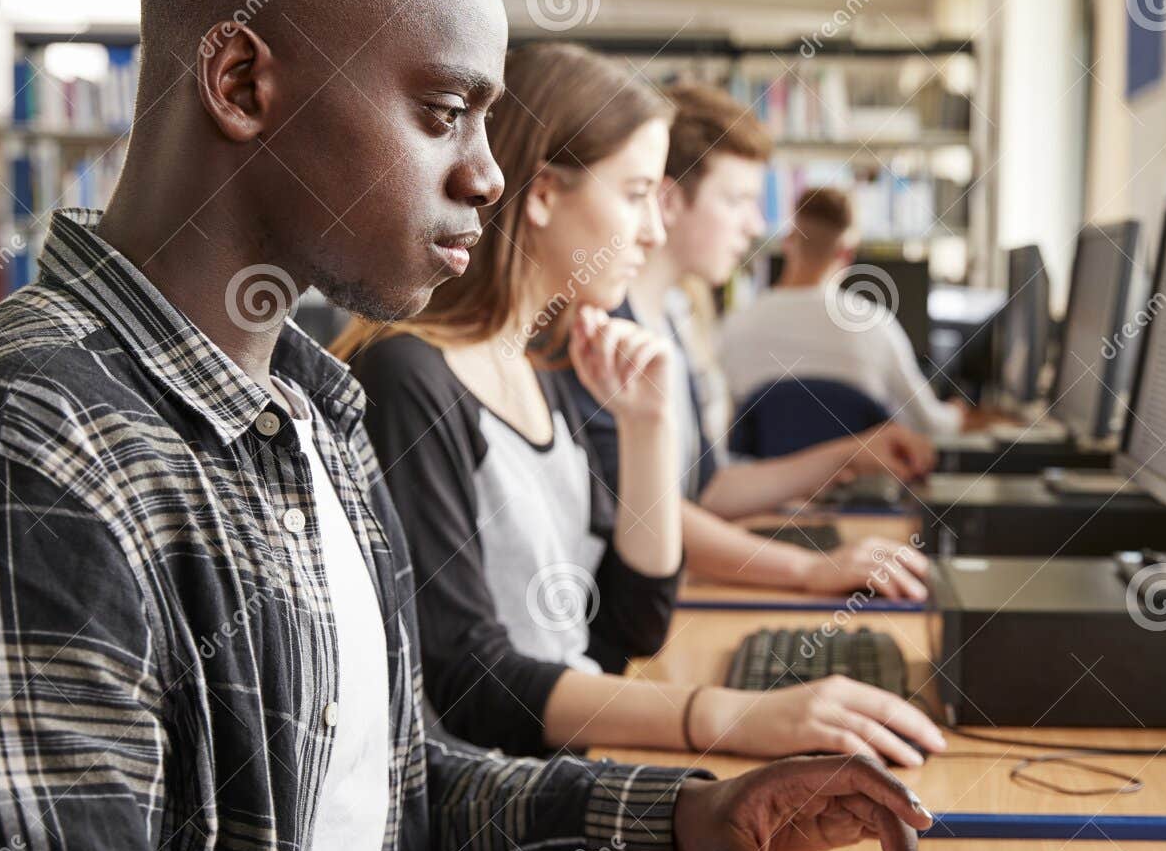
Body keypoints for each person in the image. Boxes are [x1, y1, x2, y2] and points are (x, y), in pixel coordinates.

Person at [0, 0, 945, 851]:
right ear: (244, 82)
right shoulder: (25, 448)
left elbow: (400, 788)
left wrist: (688, 811)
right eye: (443, 113)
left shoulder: (315, 409)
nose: (491, 175)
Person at [334, 44, 941, 767]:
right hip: (491, 819)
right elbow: (473, 684)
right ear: (546, 194)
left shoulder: (543, 368)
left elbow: (634, 626)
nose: (652, 231)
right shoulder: (410, 378)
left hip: (566, 769)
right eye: (634, 194)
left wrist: (647, 427)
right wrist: (728, 716)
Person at [566, 83, 935, 601]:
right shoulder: (600, 330)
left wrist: (850, 452)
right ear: (670, 201)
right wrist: (809, 571)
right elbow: (647, 510)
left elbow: (709, 491)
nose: (756, 224)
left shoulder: (671, 315)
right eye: (737, 200)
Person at [720, 186, 967, 437]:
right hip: (857, 474)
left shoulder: (735, 327)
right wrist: (958, 413)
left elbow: (719, 427)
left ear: (787, 242)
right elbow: (930, 425)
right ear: (846, 254)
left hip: (760, 476)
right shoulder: (875, 326)